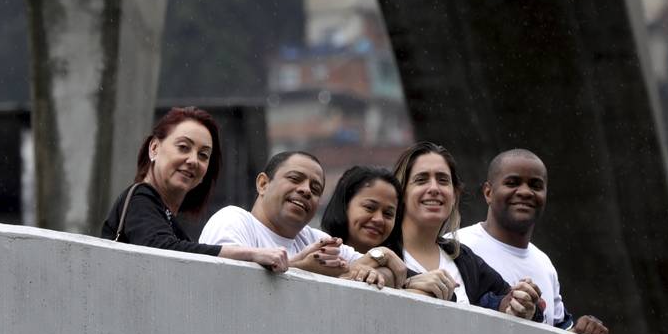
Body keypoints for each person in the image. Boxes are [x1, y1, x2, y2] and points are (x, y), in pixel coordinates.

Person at [101, 106, 289, 271]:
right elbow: (160, 249)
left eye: (203, 155)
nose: (193, 161)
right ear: (154, 148)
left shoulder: (167, 220)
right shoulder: (141, 197)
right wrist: (251, 253)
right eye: (183, 147)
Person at [458, 148, 609, 334]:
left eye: (535, 185)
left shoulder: (544, 264)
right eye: (512, 183)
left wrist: (581, 333)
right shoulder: (457, 246)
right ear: (488, 192)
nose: (525, 192)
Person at [384, 141, 542, 319]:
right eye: (421, 180)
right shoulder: (379, 250)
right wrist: (407, 286)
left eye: (443, 180)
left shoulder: (463, 258)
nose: (434, 188)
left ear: (454, 196)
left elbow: (505, 302)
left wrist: (520, 302)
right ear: (401, 193)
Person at [199, 151, 400, 287]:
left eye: (315, 189)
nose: (305, 190)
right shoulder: (233, 220)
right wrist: (307, 270)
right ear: (263, 184)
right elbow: (234, 285)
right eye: (295, 179)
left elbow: (380, 271)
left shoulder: (314, 239)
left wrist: (382, 255)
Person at [320, 164, 460, 300]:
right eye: (369, 207)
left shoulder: (399, 268)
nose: (379, 219)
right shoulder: (318, 252)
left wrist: (403, 285)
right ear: (345, 206)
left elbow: (445, 294)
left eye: (388, 214)